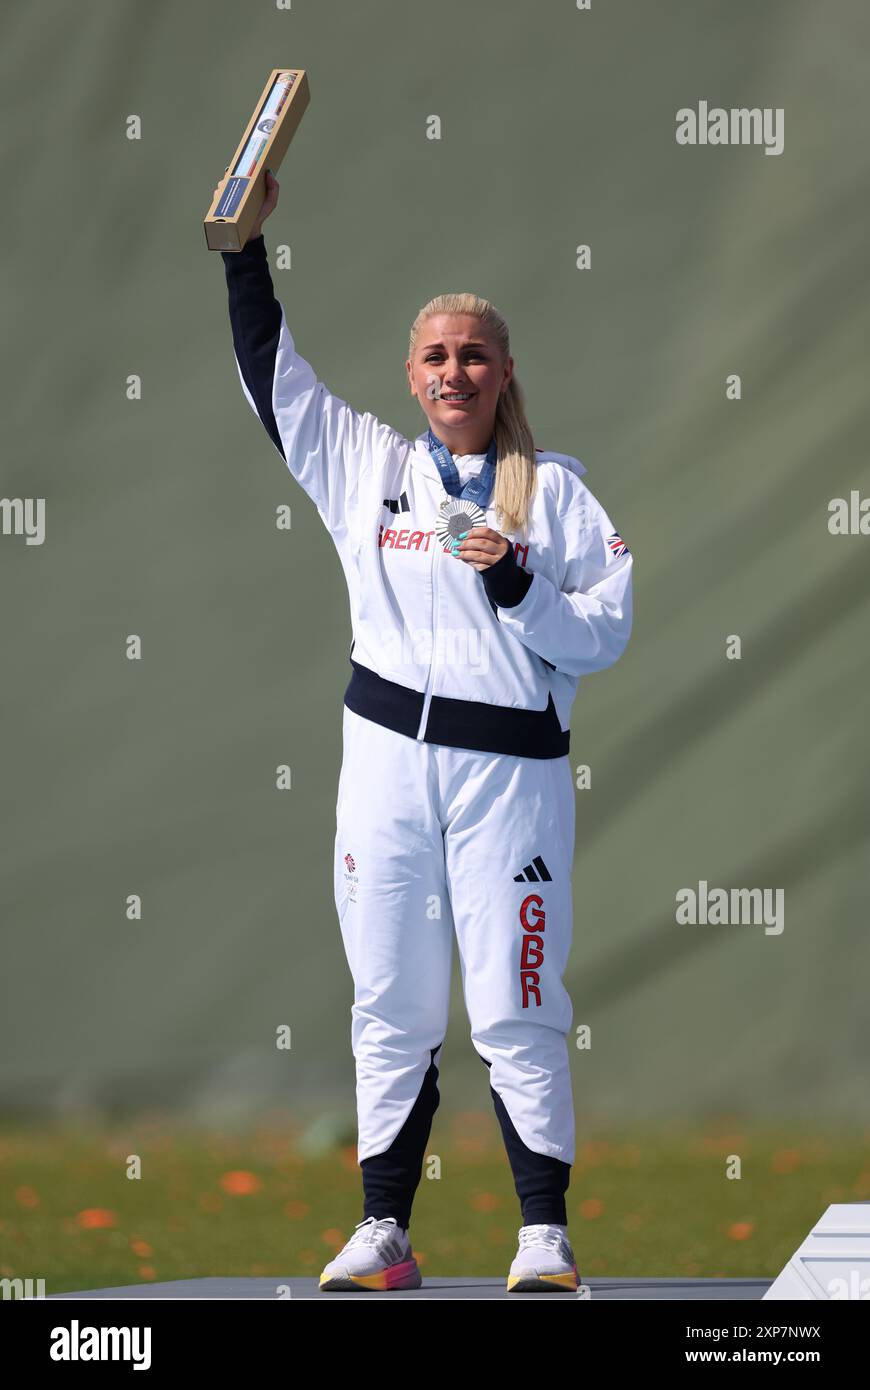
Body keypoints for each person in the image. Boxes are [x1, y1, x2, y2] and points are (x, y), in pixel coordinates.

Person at [218, 169, 633, 1293]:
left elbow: (605, 633)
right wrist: (243, 253)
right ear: (413, 376)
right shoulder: (370, 468)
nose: (456, 371)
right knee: (390, 1002)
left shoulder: (557, 498)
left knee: (515, 1001)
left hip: (513, 778)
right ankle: (385, 1234)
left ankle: (542, 1236)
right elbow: (275, 383)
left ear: (504, 375)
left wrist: (521, 590)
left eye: (476, 355)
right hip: (387, 769)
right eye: (437, 357)